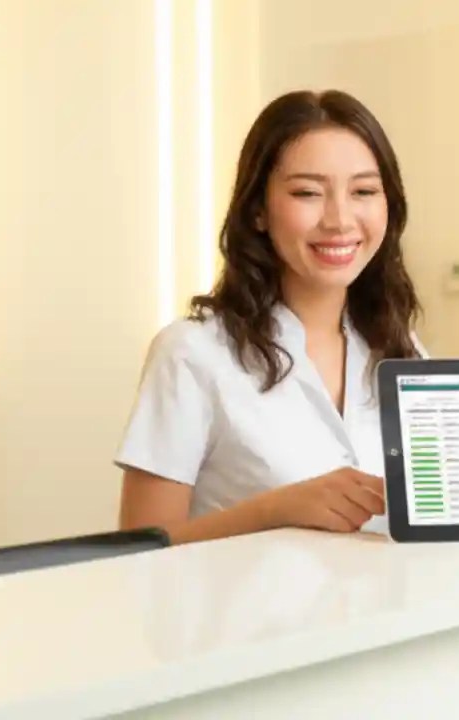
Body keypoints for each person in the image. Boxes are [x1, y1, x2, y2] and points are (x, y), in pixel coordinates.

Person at [115, 89, 425, 545]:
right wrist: (276, 510)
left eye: (363, 191)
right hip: (242, 617)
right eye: (307, 192)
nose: (340, 219)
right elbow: (136, 550)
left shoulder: (402, 350)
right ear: (258, 209)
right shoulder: (191, 353)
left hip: (388, 615)